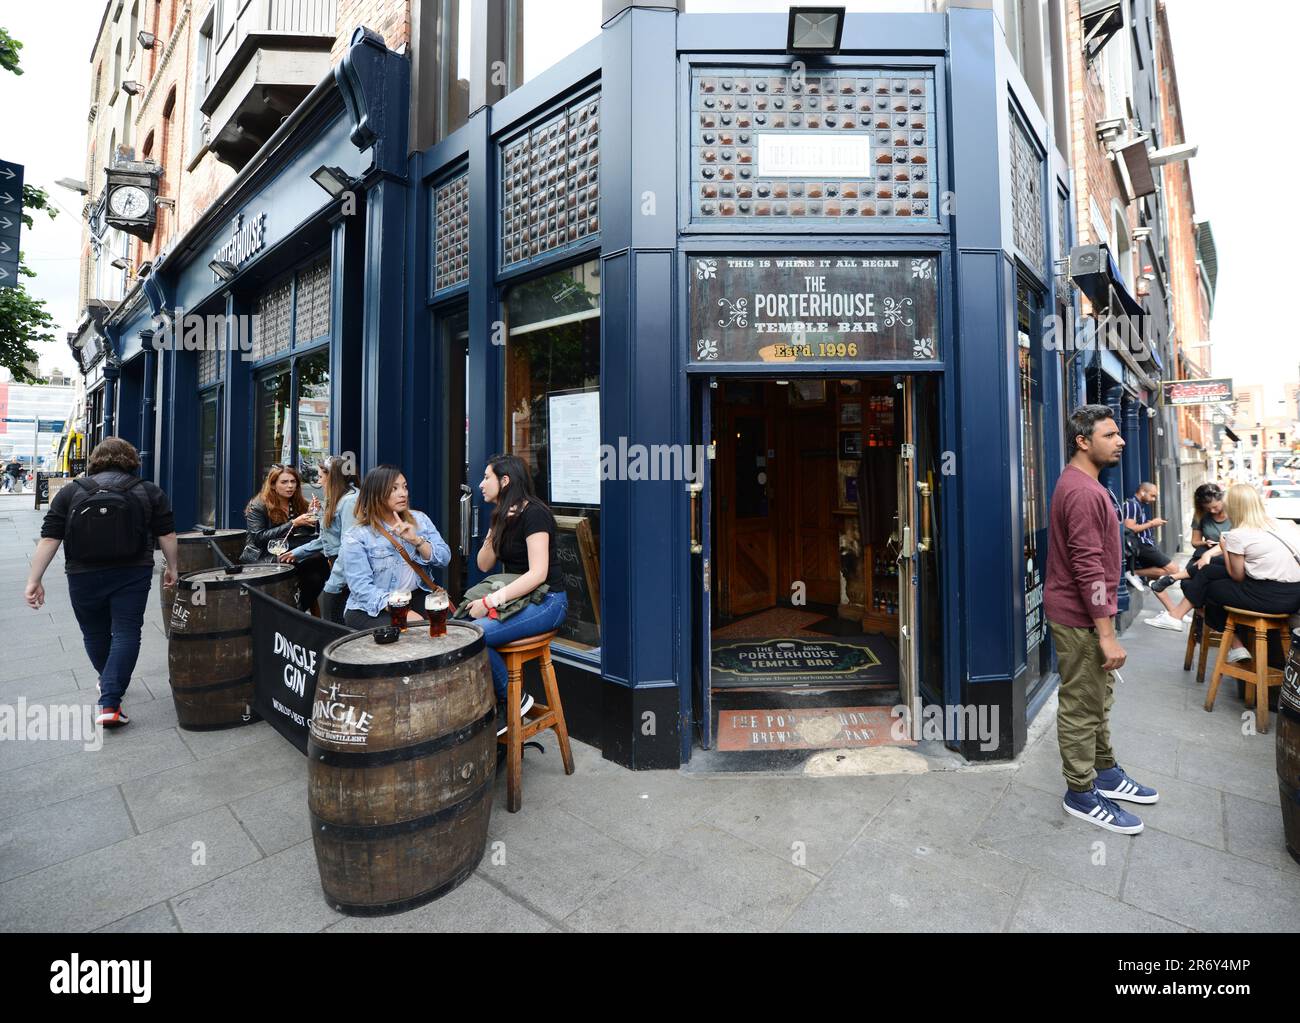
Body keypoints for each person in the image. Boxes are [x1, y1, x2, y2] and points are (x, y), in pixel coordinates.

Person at [1045, 405, 1158, 835]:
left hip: (1085, 616)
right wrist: (1107, 633)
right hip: (1081, 620)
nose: (1121, 440)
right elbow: (1088, 567)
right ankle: (1080, 791)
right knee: (1081, 704)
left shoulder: (1085, 485)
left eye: (1117, 433)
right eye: (1110, 435)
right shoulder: (1082, 491)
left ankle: (1105, 772)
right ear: (1083, 441)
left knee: (1096, 699)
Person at [24, 437, 179, 729]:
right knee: (126, 631)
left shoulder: (71, 492)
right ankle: (110, 700)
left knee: (94, 632)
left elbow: (50, 537)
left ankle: (108, 683)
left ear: (95, 460)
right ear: (133, 460)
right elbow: (167, 535)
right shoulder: (148, 491)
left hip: (83, 573)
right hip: (132, 571)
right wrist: (173, 568)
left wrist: (34, 579)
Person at [468, 454, 570, 735]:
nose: (481, 484)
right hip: (520, 599)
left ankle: (511, 701)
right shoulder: (502, 515)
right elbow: (483, 564)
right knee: (466, 631)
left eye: (486, 477)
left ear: (504, 480)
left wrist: (489, 601)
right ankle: (503, 703)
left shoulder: (535, 513)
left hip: (549, 601)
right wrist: (496, 523)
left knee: (476, 636)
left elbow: (538, 574)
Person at [1149, 484, 1300, 665]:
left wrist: (1224, 547)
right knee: (1210, 571)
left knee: (1210, 589)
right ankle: (1176, 615)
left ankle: (1232, 643)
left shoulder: (1239, 534)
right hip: (1294, 596)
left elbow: (1237, 576)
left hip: (1268, 597)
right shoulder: (1286, 525)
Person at [339, 465, 451, 630]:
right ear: (376, 493)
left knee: (451, 629)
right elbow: (361, 588)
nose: (403, 493)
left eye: (405, 487)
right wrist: (401, 609)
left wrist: (416, 541)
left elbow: (444, 558)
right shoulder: (357, 536)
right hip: (372, 606)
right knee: (413, 630)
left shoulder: (420, 520)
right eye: (394, 489)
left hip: (418, 595)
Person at [278, 456, 359, 624]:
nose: (318, 480)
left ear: (332, 477)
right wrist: (298, 552)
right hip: (338, 563)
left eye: (321, 476)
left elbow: (349, 546)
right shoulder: (336, 498)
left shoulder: (349, 501)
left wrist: (334, 581)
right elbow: (327, 538)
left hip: (346, 566)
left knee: (336, 618)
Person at [242, 465, 330, 614]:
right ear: (273, 485)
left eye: (293, 481)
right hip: (263, 555)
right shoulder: (258, 505)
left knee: (319, 563)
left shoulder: (296, 501)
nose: (290, 486)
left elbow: (306, 532)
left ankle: (297, 609)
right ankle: (296, 610)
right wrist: (293, 523)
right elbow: (258, 538)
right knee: (314, 564)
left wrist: (310, 515)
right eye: (284, 482)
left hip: (287, 549)